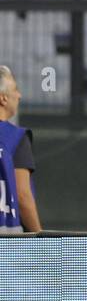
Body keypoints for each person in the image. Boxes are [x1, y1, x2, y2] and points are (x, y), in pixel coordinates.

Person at [0, 65, 40, 233]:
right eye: (16, 89)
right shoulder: (15, 137)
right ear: (3, 98)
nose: (20, 95)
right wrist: (41, 238)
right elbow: (22, 196)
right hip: (8, 242)